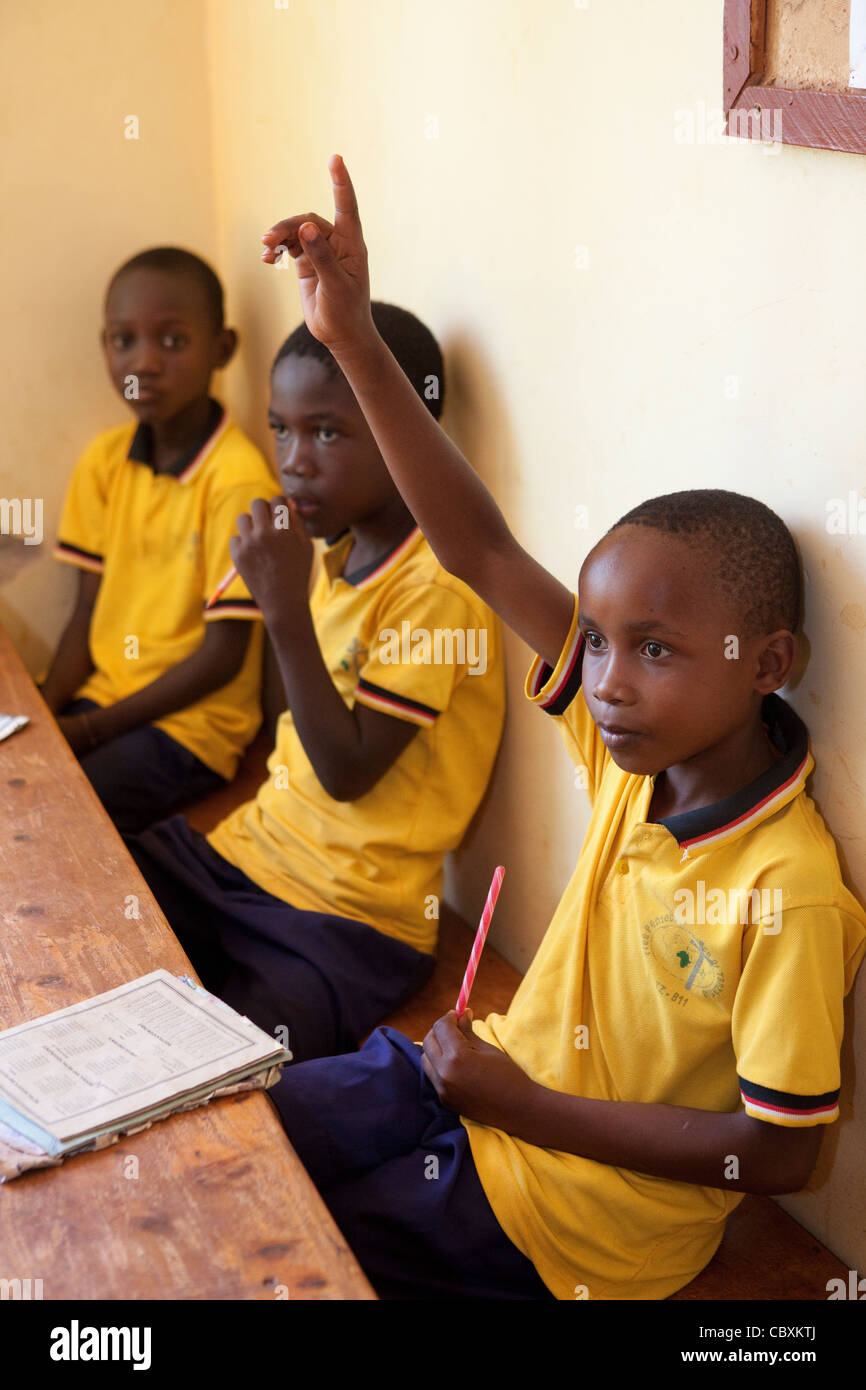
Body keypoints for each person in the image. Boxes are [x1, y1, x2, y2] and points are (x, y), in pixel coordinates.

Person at [255, 155, 866, 1300]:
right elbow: (477, 547)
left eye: (654, 649)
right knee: (239, 1139)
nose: (606, 681)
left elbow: (786, 1151)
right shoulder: (630, 756)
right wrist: (352, 343)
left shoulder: (785, 888)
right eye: (592, 640)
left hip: (567, 1220)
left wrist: (518, 1103)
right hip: (480, 1080)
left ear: (766, 665)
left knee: (282, 1257)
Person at [126, 302, 505, 1062]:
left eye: (327, 432)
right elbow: (289, 731)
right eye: (282, 429)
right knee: (95, 902)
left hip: (352, 922)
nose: (293, 459)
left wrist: (282, 609)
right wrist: (286, 596)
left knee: (227, 1061)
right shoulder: (331, 553)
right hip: (247, 856)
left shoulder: (434, 590)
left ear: (408, 437)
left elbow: (347, 774)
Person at [42, 247, 274, 834]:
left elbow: (223, 657)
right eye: (124, 341)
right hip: (106, 699)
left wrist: (89, 732)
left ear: (222, 350)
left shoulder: (238, 483)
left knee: (65, 814)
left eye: (172, 342)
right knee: (25, 775)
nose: (143, 363)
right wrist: (46, 713)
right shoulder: (105, 461)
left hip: (192, 728)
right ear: (105, 347)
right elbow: (86, 612)